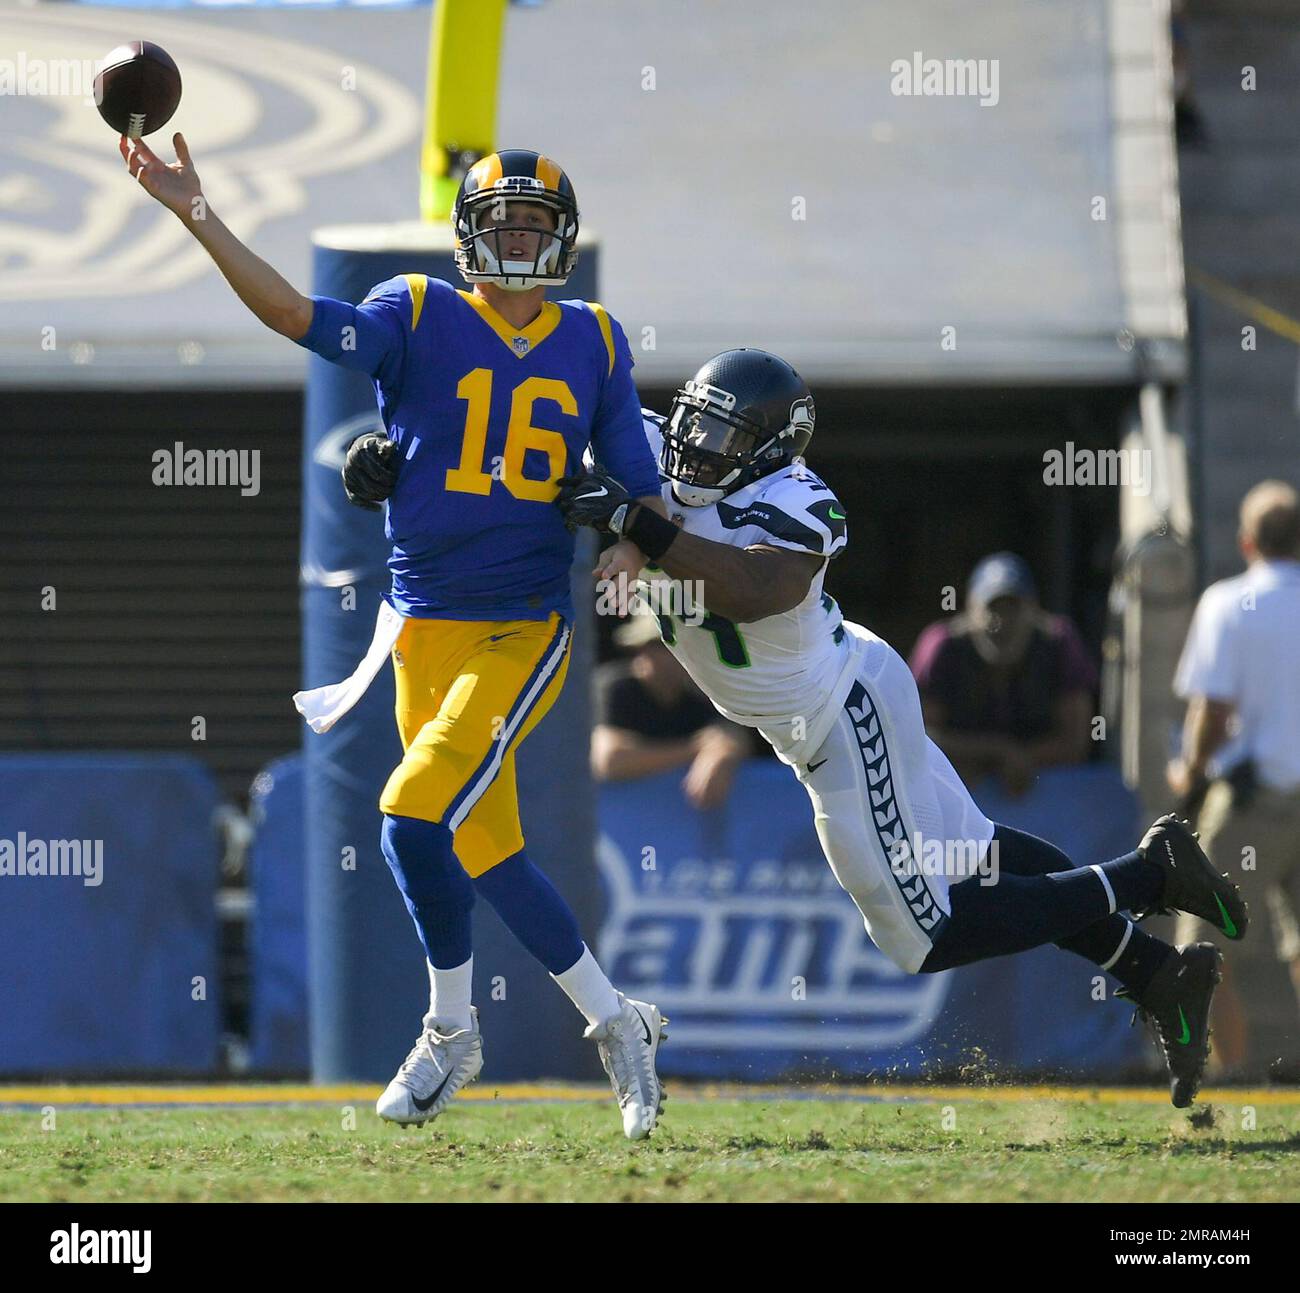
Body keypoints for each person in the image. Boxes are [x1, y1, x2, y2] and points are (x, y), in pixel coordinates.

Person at [120, 135, 667, 1138]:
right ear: (466, 234)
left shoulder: (592, 336)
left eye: (533, 226)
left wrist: (628, 530)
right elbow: (296, 317)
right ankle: (617, 1018)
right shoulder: (412, 310)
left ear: (561, 240)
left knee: (408, 813)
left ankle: (449, 1030)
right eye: (500, 222)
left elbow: (639, 479)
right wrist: (192, 210)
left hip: (522, 623)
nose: (515, 239)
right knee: (486, 847)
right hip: (422, 625)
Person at [558, 348, 1249, 1108]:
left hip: (841, 714)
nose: (696, 446)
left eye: (724, 436)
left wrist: (634, 526)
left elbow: (751, 589)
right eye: (695, 424)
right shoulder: (652, 443)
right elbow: (568, 423)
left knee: (925, 936)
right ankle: (1155, 971)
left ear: (771, 450)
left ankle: (1152, 875)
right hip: (835, 694)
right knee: (978, 854)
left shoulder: (797, 499)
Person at [1169, 480, 1300, 1077]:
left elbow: (1213, 714)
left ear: (1247, 541)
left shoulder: (1228, 603)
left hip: (1253, 801)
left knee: (1203, 947)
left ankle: (1229, 1079)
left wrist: (1190, 774)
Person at [910, 553, 1097, 796]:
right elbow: (919, 738)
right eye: (992, 608)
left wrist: (1024, 759)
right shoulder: (941, 646)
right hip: (957, 792)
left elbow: (1075, 742)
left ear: (1034, 611)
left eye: (1013, 608)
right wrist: (996, 752)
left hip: (1043, 793)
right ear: (970, 610)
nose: (1001, 622)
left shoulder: (1059, 644)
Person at [593, 610, 752, 808]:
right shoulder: (616, 688)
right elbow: (610, 760)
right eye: (664, 643)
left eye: (684, 644)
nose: (677, 652)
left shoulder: (696, 693)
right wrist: (696, 749)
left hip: (674, 828)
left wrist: (721, 752)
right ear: (641, 648)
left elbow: (732, 735)